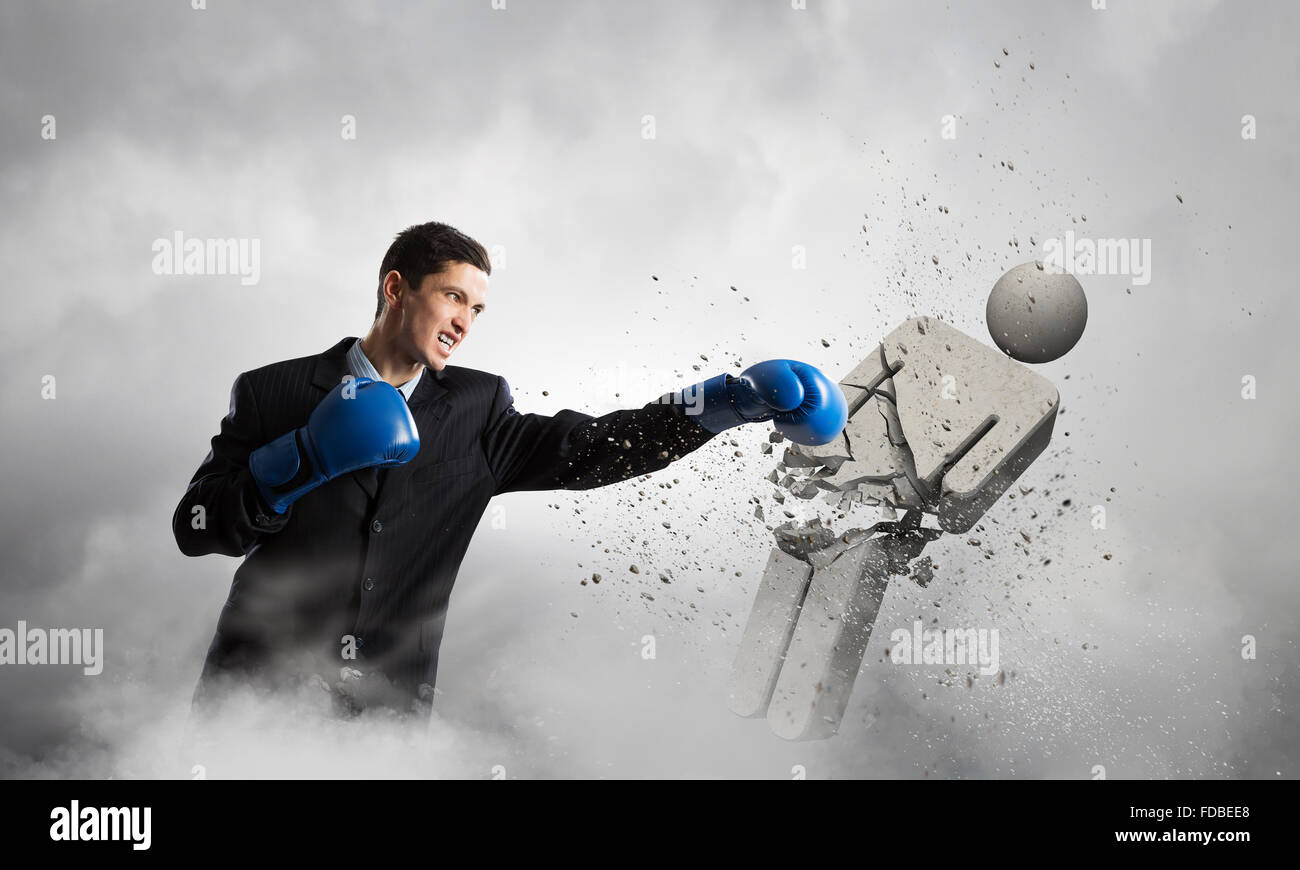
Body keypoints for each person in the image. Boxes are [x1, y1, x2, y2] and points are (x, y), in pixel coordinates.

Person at [173, 221, 846, 718]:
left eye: (477, 308)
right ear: (396, 288)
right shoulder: (274, 392)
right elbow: (197, 527)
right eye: (453, 298)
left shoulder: (478, 407)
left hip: (380, 717)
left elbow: (592, 448)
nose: (465, 321)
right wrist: (295, 465)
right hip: (253, 694)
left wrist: (722, 403)